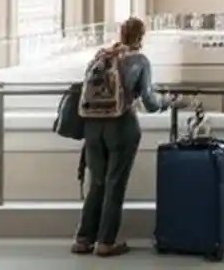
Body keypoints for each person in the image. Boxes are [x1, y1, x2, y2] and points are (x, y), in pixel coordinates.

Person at [72, 17, 185, 257]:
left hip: (92, 126)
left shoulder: (101, 56)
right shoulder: (139, 61)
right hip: (121, 126)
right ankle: (105, 241)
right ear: (141, 37)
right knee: (115, 184)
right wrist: (169, 101)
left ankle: (83, 239)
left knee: (97, 182)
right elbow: (150, 102)